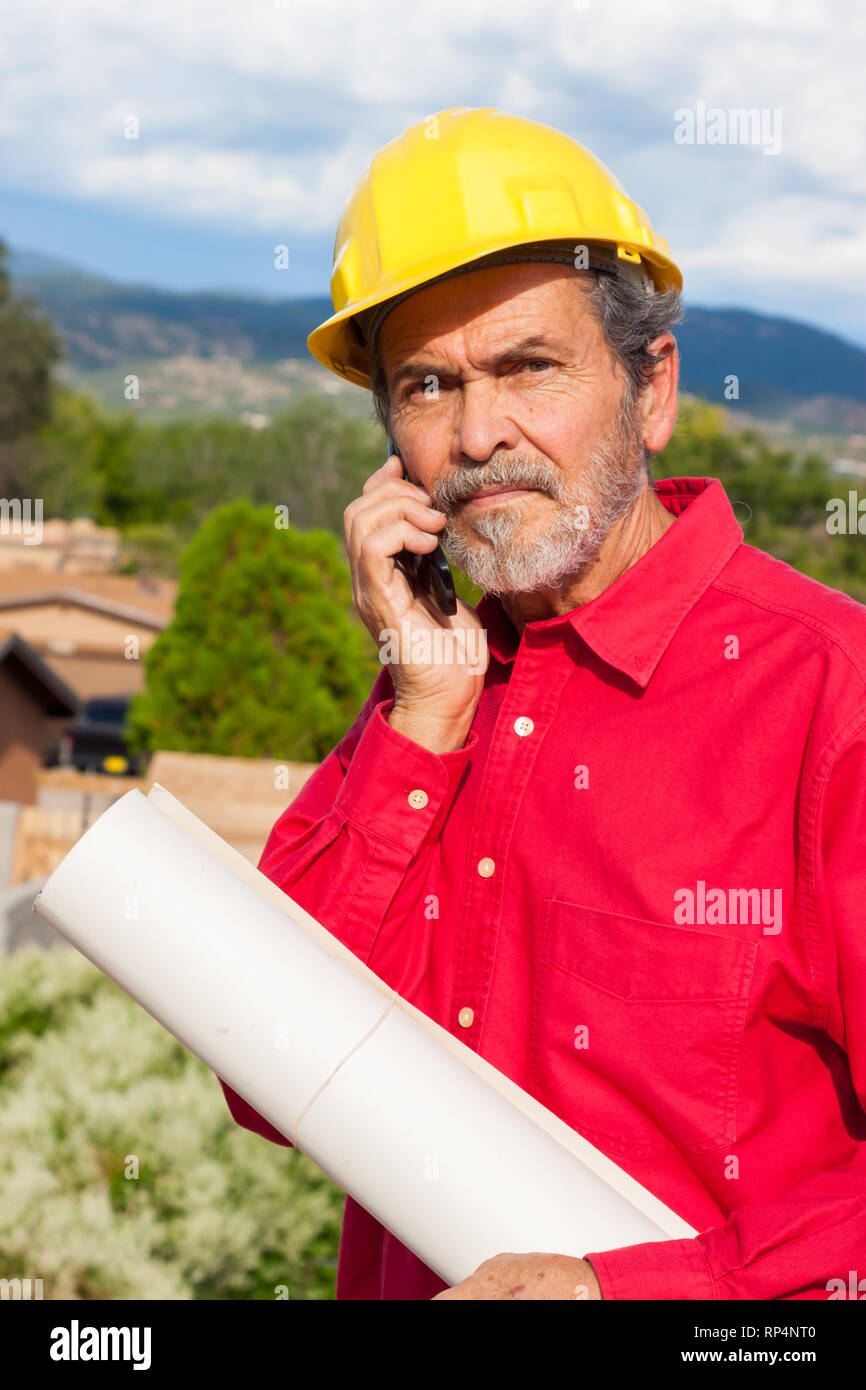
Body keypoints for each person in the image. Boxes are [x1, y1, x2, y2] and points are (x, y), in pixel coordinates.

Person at [219, 108, 866, 1300]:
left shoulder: (832, 706)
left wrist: (628, 1291)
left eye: (528, 367)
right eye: (425, 385)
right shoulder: (430, 689)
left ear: (649, 387)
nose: (477, 435)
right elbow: (262, 1085)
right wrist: (418, 714)